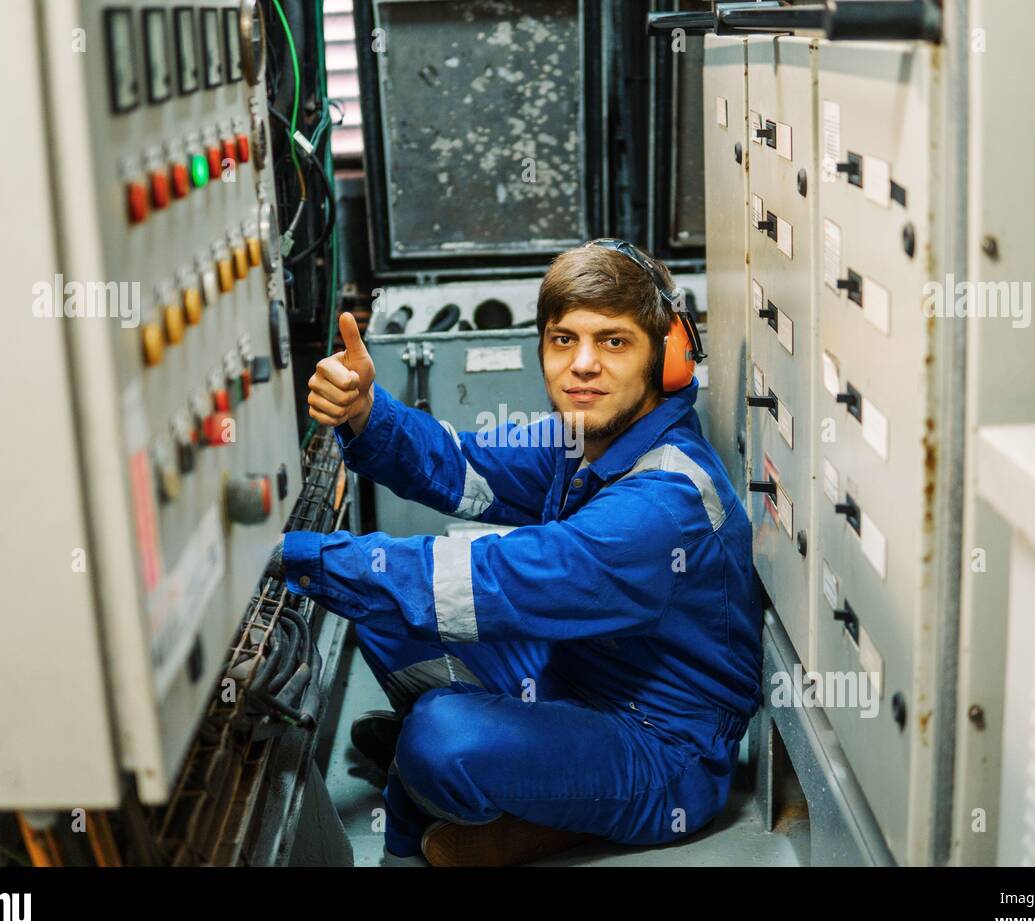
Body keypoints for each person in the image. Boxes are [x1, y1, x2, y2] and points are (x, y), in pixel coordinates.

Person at [273, 239, 764, 866]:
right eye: (564, 340)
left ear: (665, 359)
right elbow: (462, 464)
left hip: (662, 749)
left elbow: (494, 581)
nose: (583, 364)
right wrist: (367, 413)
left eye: (613, 341)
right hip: (575, 669)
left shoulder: (664, 501)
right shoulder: (582, 439)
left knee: (439, 738)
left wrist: (299, 557)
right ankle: (519, 776)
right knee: (383, 608)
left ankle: (510, 781)